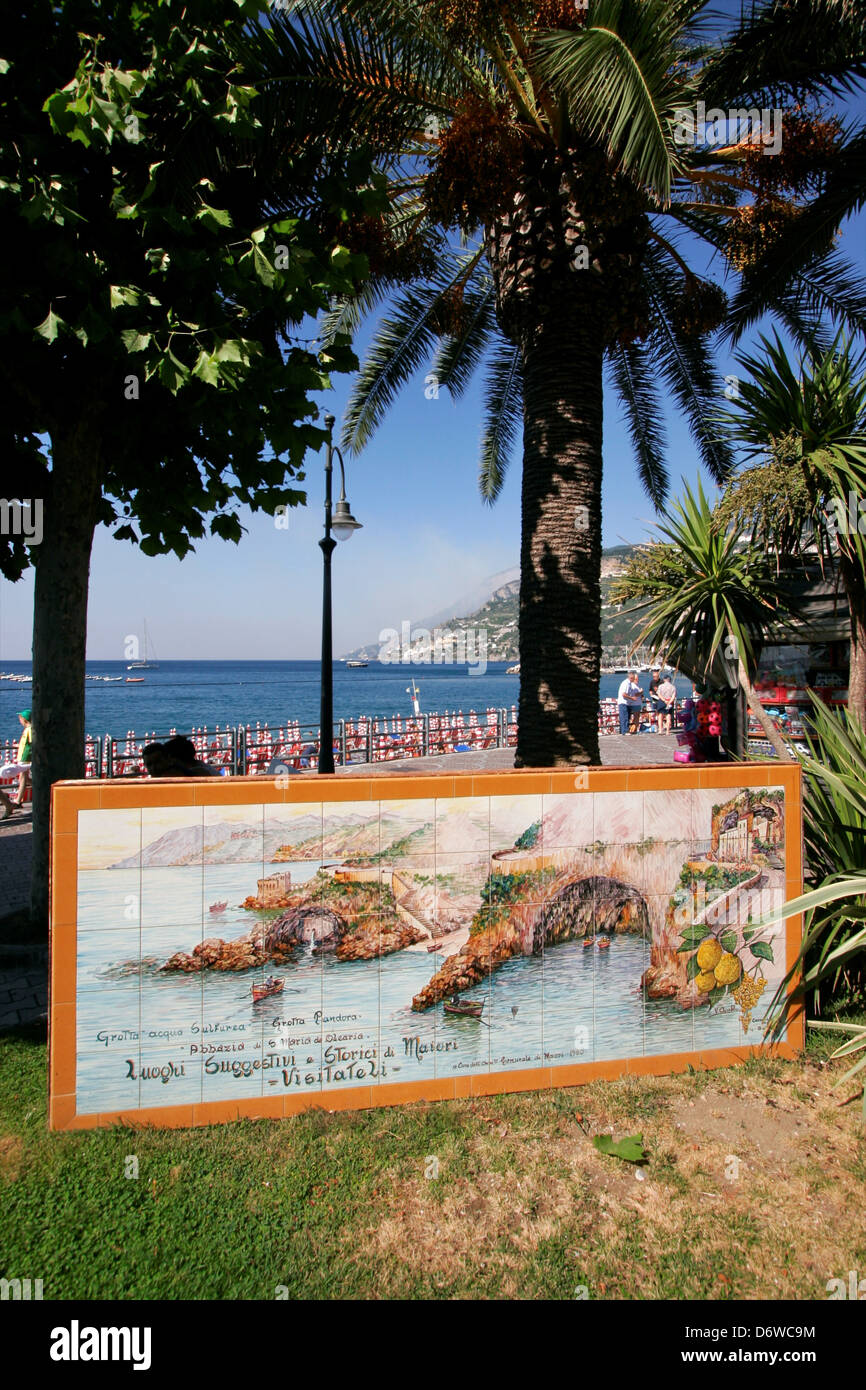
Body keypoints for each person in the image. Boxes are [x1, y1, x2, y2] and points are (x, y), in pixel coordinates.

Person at [0, 709, 32, 814]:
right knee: (25, 778)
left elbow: (32, 743)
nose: (20, 721)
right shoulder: (28, 729)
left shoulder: (30, 730)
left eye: (20, 718)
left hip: (25, 758)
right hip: (23, 757)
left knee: (23, 778)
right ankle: (43, 787)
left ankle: (17, 801)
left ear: (25, 720)